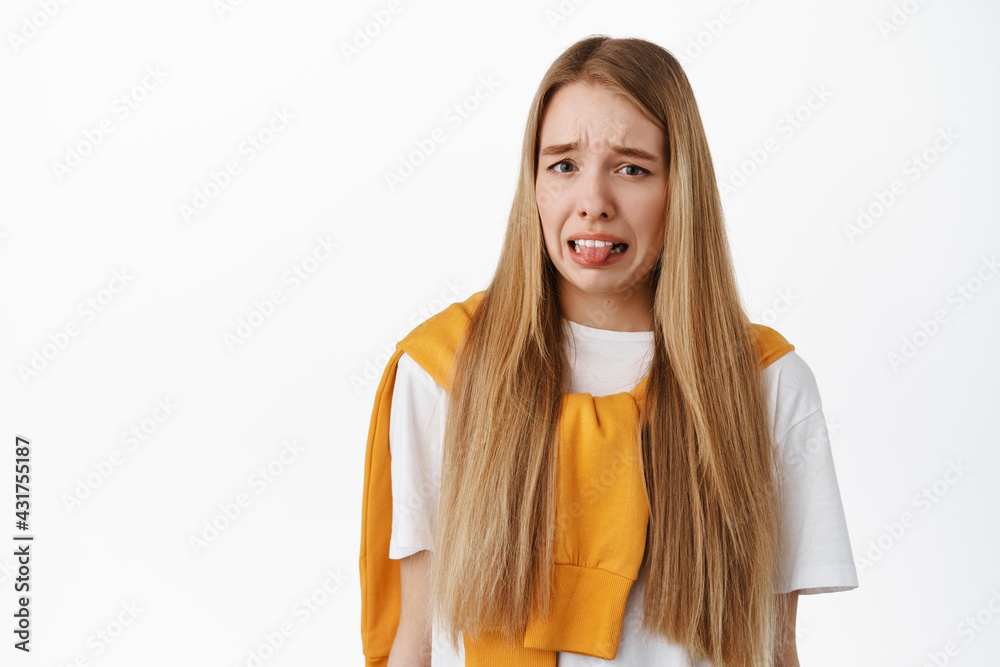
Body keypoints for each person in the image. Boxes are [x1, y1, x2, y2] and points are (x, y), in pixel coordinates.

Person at [359, 35, 858, 667]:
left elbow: (775, 651)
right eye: (563, 164)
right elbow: (416, 644)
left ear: (681, 189)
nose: (593, 201)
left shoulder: (765, 383)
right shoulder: (443, 370)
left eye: (632, 167)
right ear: (533, 184)